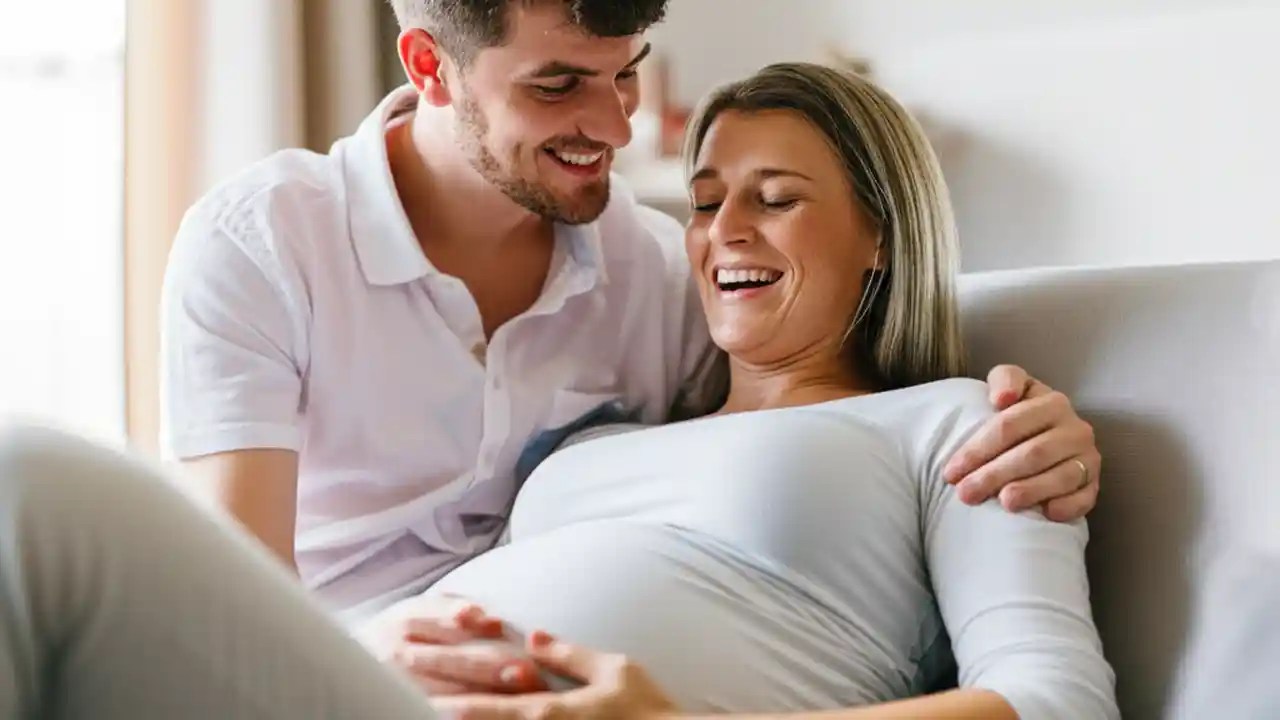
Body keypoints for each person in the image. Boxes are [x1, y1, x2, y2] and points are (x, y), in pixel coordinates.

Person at [0, 62, 1116, 720]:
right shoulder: (639, 406)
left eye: (773, 199)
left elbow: (1058, 702)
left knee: (31, 490)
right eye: (706, 197)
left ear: (880, 232)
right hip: (360, 687)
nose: (720, 229)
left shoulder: (963, 426)